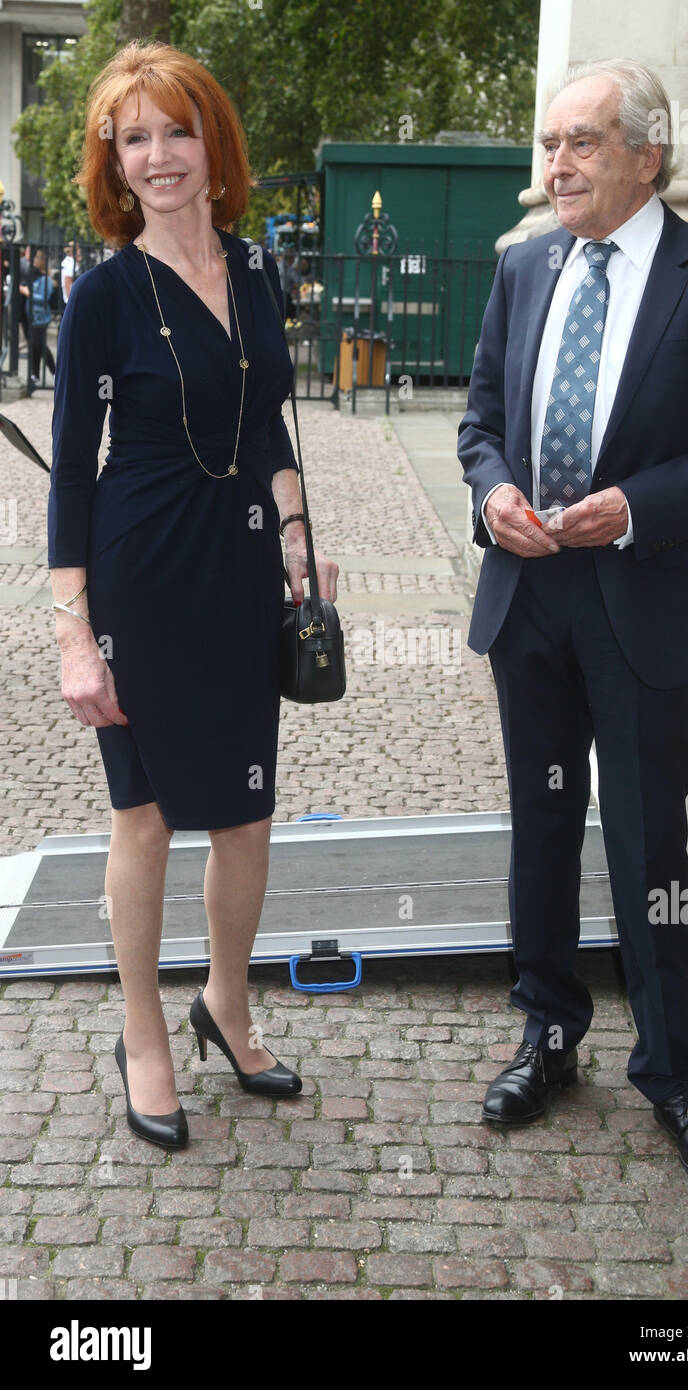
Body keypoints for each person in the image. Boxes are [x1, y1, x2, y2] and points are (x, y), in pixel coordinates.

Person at [458, 58, 688, 1192]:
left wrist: (637, 507)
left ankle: (671, 1071)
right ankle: (546, 1033)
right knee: (541, 830)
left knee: (651, 846)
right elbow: (480, 417)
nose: (556, 165)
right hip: (528, 598)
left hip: (643, 607)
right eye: (548, 145)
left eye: (581, 143)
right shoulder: (523, 266)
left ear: (647, 154)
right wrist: (490, 491)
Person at [47, 39, 339, 1151]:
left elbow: (265, 417)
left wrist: (299, 534)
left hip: (243, 565)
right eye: (135, 138)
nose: (159, 155)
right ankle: (143, 1033)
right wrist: (75, 634)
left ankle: (225, 1002)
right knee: (147, 813)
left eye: (177, 130)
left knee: (249, 812)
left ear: (214, 144)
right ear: (113, 164)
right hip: (141, 568)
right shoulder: (103, 298)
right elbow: (73, 469)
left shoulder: (258, 271)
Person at [20, 248, 57, 391]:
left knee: (39, 344)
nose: (34, 260)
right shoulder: (36, 277)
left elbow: (43, 298)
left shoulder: (46, 280)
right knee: (35, 345)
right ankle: (35, 374)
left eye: (36, 258)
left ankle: (54, 371)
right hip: (33, 316)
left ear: (41, 261)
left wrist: (27, 293)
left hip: (40, 317)